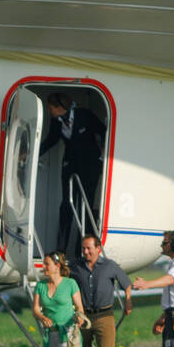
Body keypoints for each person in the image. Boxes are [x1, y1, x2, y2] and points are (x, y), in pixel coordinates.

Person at [38, 91, 105, 254]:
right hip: (70, 165)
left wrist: (103, 153)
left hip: (89, 166)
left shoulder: (84, 115)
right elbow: (52, 139)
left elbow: (103, 131)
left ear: (60, 107)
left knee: (85, 205)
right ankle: (61, 250)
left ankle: (80, 249)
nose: (50, 111)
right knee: (66, 205)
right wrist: (34, 153)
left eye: (51, 108)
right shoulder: (57, 121)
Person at [72, 234, 133, 347]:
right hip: (83, 316)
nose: (86, 252)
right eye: (83, 248)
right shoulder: (75, 266)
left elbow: (126, 284)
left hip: (105, 316)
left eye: (89, 248)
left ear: (98, 249)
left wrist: (128, 300)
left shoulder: (109, 266)